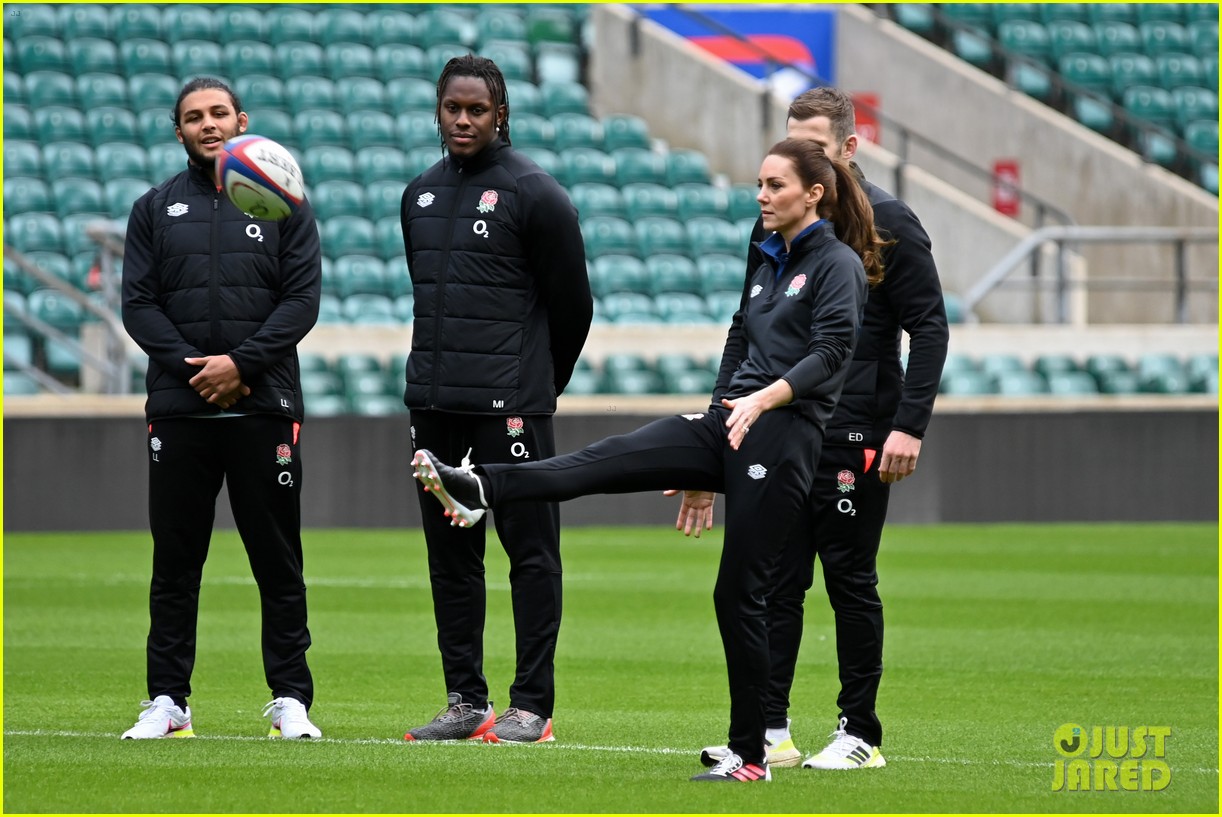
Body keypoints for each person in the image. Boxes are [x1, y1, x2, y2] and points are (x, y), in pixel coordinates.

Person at [412, 138, 885, 782]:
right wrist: (713, 448)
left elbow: (831, 353)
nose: (762, 196)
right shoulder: (768, 255)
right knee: (610, 458)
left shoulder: (836, 264)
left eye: (775, 186)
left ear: (814, 193)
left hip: (785, 439)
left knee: (739, 595)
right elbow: (740, 339)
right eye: (759, 185)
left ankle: (750, 754)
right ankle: (480, 486)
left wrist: (761, 404)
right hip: (733, 428)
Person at [687, 86, 949, 771]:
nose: (802, 162)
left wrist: (909, 424)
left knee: (849, 577)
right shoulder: (773, 225)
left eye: (817, 150)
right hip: (782, 428)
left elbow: (929, 326)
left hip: (857, 429)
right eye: (793, 148)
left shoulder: (890, 223)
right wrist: (723, 414)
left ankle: (859, 730)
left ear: (849, 150)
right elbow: (744, 326)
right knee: (774, 577)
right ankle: (769, 730)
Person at [398, 55, 593, 745]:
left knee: (531, 551)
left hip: (511, 406)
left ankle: (531, 706)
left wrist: (540, 385)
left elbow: (574, 306)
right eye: (453, 107)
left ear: (500, 113)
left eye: (477, 109)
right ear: (438, 110)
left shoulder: (536, 193)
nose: (463, 119)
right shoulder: (418, 194)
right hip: (433, 405)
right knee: (451, 553)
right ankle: (464, 701)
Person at [120, 77, 323, 740]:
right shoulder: (153, 208)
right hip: (180, 411)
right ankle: (168, 700)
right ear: (177, 130)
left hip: (263, 407)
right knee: (174, 561)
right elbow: (139, 306)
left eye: (218, 113)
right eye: (193, 117)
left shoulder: (285, 202)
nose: (208, 124)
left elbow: (301, 302)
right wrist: (196, 371)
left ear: (242, 120)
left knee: (277, 558)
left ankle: (291, 697)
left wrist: (241, 365)